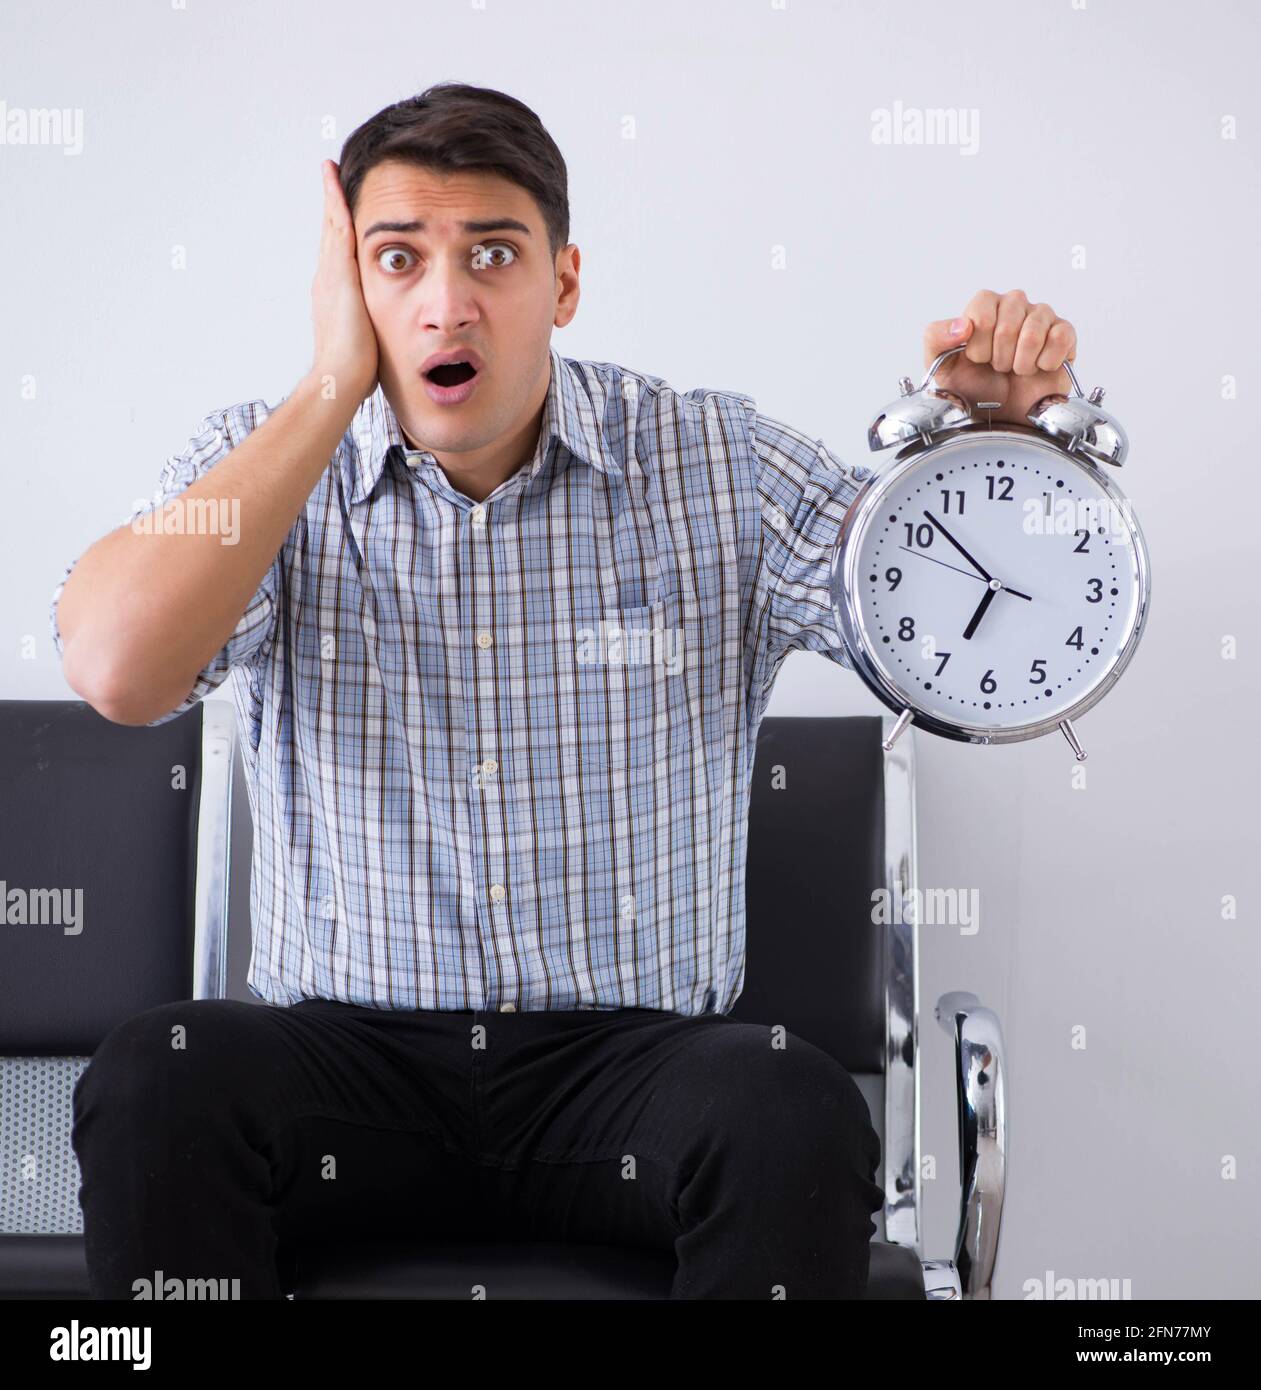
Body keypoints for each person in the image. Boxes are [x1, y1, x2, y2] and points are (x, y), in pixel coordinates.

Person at [50, 81, 1077, 1300]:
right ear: (351, 289)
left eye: (492, 253)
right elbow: (117, 671)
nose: (446, 302)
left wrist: (1005, 458)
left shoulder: (715, 461)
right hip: (345, 1070)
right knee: (159, 1075)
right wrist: (330, 387)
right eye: (397, 260)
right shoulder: (268, 467)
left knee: (787, 1103)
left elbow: (960, 655)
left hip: (633, 1073)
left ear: (565, 282)